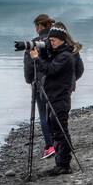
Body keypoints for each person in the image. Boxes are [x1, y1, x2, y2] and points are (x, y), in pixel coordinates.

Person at [34, 25, 78, 176]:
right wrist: (43, 52)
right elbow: (49, 63)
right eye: (50, 40)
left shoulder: (65, 56)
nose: (51, 43)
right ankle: (61, 163)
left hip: (60, 98)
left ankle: (64, 164)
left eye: (53, 40)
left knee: (60, 131)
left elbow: (50, 69)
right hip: (54, 96)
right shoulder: (58, 53)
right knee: (55, 130)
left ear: (61, 40)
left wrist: (36, 59)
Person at [23, 13, 57, 159]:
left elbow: (29, 66)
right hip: (58, 81)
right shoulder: (57, 41)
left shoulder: (34, 43)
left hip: (40, 82)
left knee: (43, 114)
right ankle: (61, 141)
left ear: (39, 26)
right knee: (57, 112)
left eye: (36, 26)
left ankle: (50, 145)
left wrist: (30, 80)